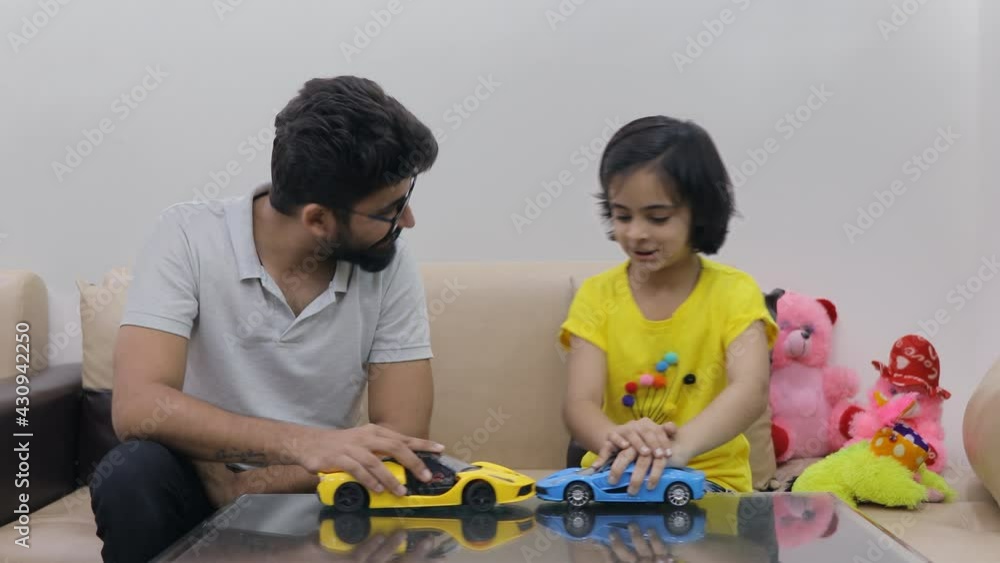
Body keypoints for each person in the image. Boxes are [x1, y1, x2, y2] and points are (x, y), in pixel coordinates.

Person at [90, 75, 444, 562]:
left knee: (405, 492)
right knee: (132, 472)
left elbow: (398, 437)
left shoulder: (390, 264)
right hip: (200, 477)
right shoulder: (187, 236)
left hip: (321, 489)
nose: (408, 222)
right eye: (392, 208)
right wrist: (302, 443)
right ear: (318, 220)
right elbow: (138, 406)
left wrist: (254, 484)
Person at [559, 115, 778, 495]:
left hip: (710, 483)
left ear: (700, 213)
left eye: (657, 217)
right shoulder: (597, 296)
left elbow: (751, 388)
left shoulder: (735, 292)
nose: (636, 233)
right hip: (613, 479)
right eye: (622, 215)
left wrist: (675, 449)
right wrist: (619, 439)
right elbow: (580, 404)